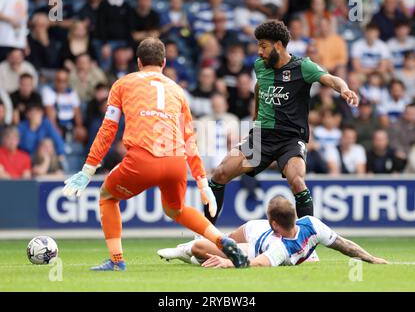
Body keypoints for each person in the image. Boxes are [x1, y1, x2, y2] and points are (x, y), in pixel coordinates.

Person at [62, 37, 249, 271]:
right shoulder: (178, 91)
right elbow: (189, 139)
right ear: (164, 62)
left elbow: (108, 130)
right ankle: (222, 240)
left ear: (138, 62)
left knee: (107, 197)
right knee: (176, 209)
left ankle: (117, 261)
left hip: (142, 160)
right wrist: (202, 182)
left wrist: (88, 170)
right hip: (175, 163)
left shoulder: (122, 84)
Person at [205, 20, 359, 227]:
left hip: (290, 138)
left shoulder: (303, 66)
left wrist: (345, 89)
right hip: (262, 137)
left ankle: (307, 243)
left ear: (278, 45)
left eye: (263, 46)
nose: (259, 51)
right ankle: (203, 236)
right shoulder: (260, 66)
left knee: (297, 181)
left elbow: (331, 79)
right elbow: (260, 87)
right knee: (220, 174)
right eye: (258, 45)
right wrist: (256, 116)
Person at [158, 196, 388, 267]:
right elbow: (343, 244)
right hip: (253, 232)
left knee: (200, 248)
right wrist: (372, 258)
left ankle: (186, 249)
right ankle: (186, 246)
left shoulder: (280, 248)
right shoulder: (312, 223)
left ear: (274, 223)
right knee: (221, 240)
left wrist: (228, 263)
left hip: (256, 245)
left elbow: (256, 263)